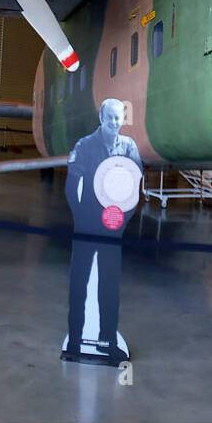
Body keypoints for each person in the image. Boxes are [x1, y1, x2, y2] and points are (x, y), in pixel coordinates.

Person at [63, 98, 142, 364]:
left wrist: (122, 220)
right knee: (79, 285)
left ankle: (107, 341)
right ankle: (75, 342)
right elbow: (71, 187)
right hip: (86, 227)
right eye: (110, 118)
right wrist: (81, 219)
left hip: (113, 228)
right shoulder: (84, 146)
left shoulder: (129, 147)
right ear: (101, 117)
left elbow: (135, 187)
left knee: (110, 286)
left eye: (119, 118)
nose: (114, 123)